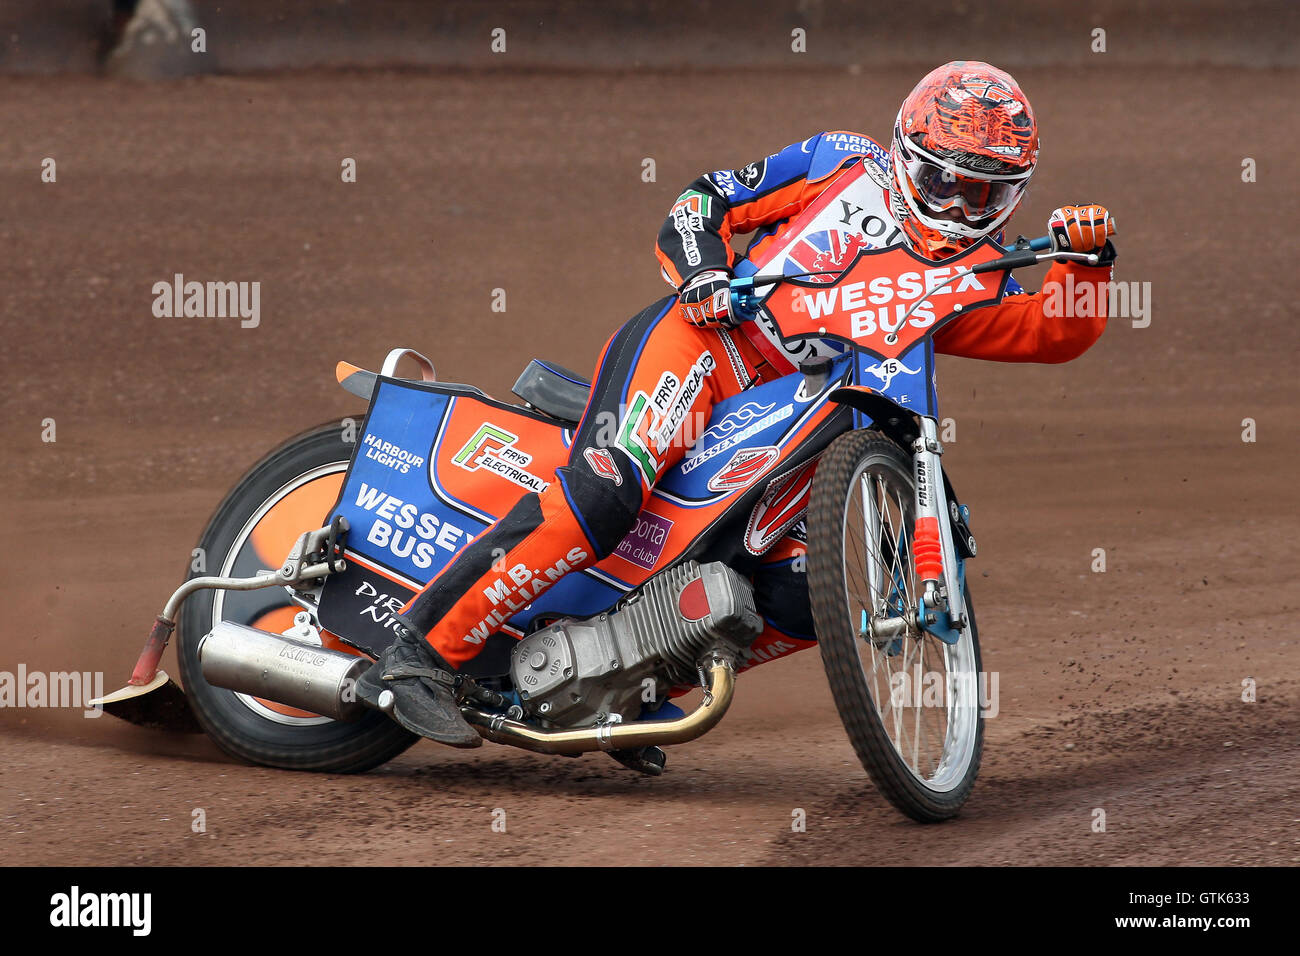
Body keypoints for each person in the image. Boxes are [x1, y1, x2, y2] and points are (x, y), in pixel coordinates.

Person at [355, 60, 1117, 757]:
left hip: (791, 415)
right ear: (905, 155)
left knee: (797, 587)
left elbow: (1054, 332)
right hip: (705, 347)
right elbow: (703, 200)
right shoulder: (841, 162)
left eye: (982, 192)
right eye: (944, 181)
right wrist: (702, 274)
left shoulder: (984, 271)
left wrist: (1089, 263)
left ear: (1015, 193)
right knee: (611, 487)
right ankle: (417, 653)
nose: (958, 205)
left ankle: (628, 689)